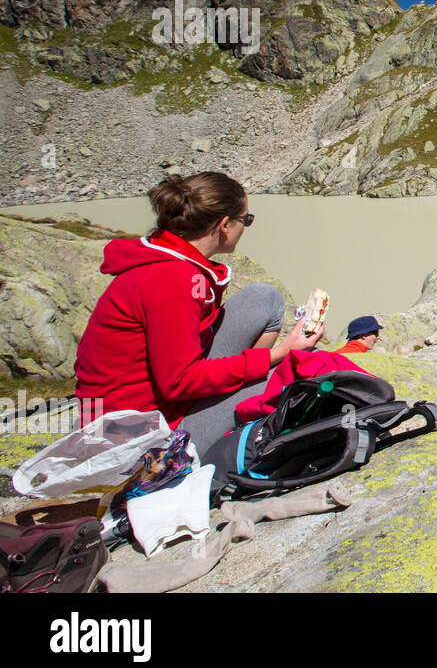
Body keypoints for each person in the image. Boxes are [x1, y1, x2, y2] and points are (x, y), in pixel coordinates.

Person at [75, 171, 325, 457]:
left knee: (265, 297)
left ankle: (243, 397)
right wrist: (278, 354)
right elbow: (179, 381)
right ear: (224, 226)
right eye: (247, 220)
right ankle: (228, 426)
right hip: (136, 435)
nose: (247, 226)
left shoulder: (172, 261)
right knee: (290, 380)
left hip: (154, 405)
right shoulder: (172, 280)